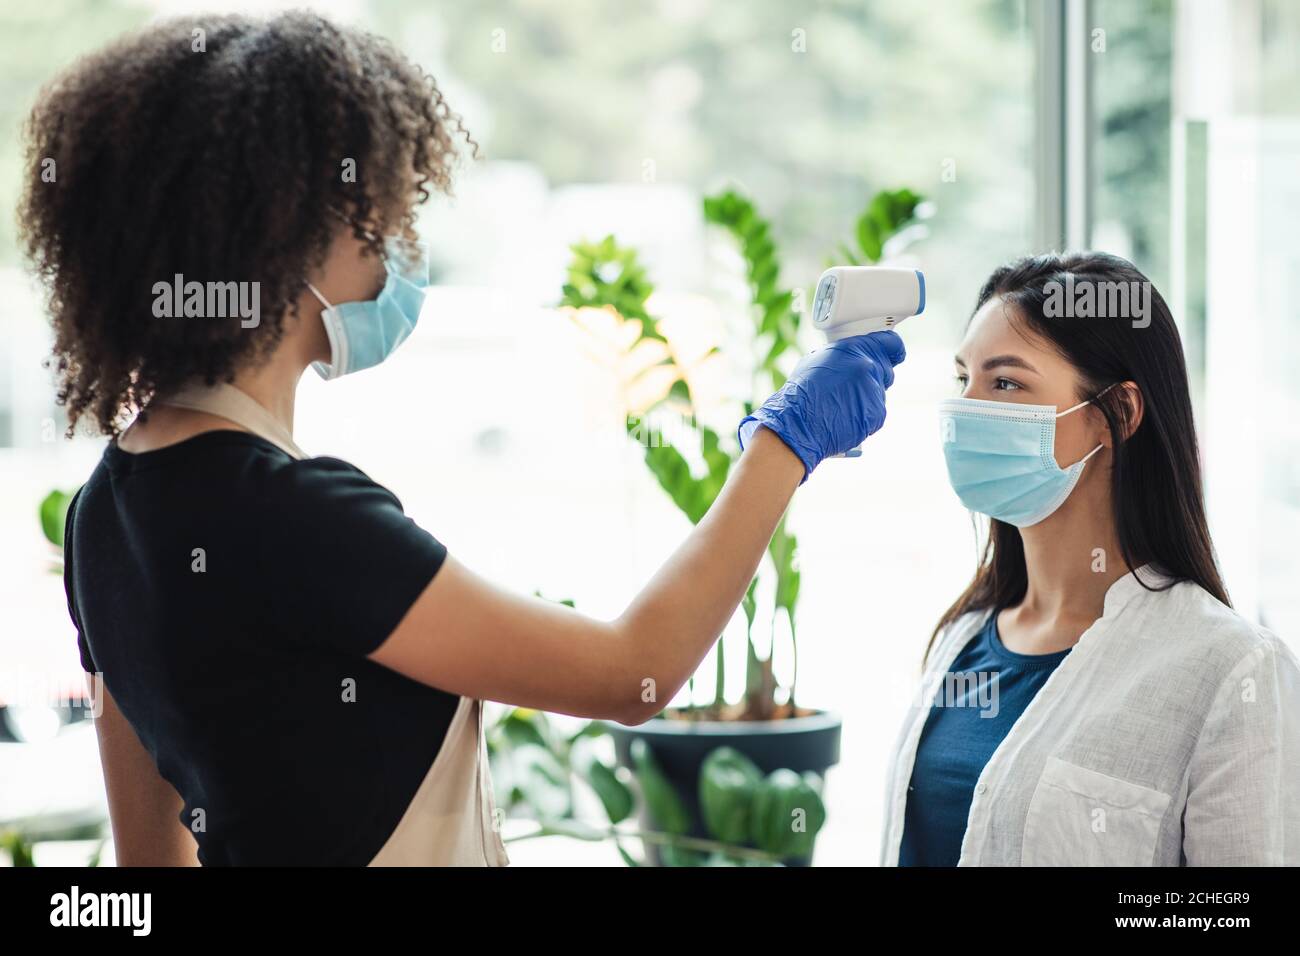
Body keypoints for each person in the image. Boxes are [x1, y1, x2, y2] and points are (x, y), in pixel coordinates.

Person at [17, 11, 905, 866]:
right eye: (382, 215)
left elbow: (148, 858)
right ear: (294, 236)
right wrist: (785, 441)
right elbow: (633, 675)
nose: (401, 243)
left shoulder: (105, 511)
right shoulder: (300, 518)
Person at [883, 252, 1300, 866]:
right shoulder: (960, 636)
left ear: (1119, 414)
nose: (967, 409)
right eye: (962, 379)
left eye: (1005, 382)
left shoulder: (1230, 670)